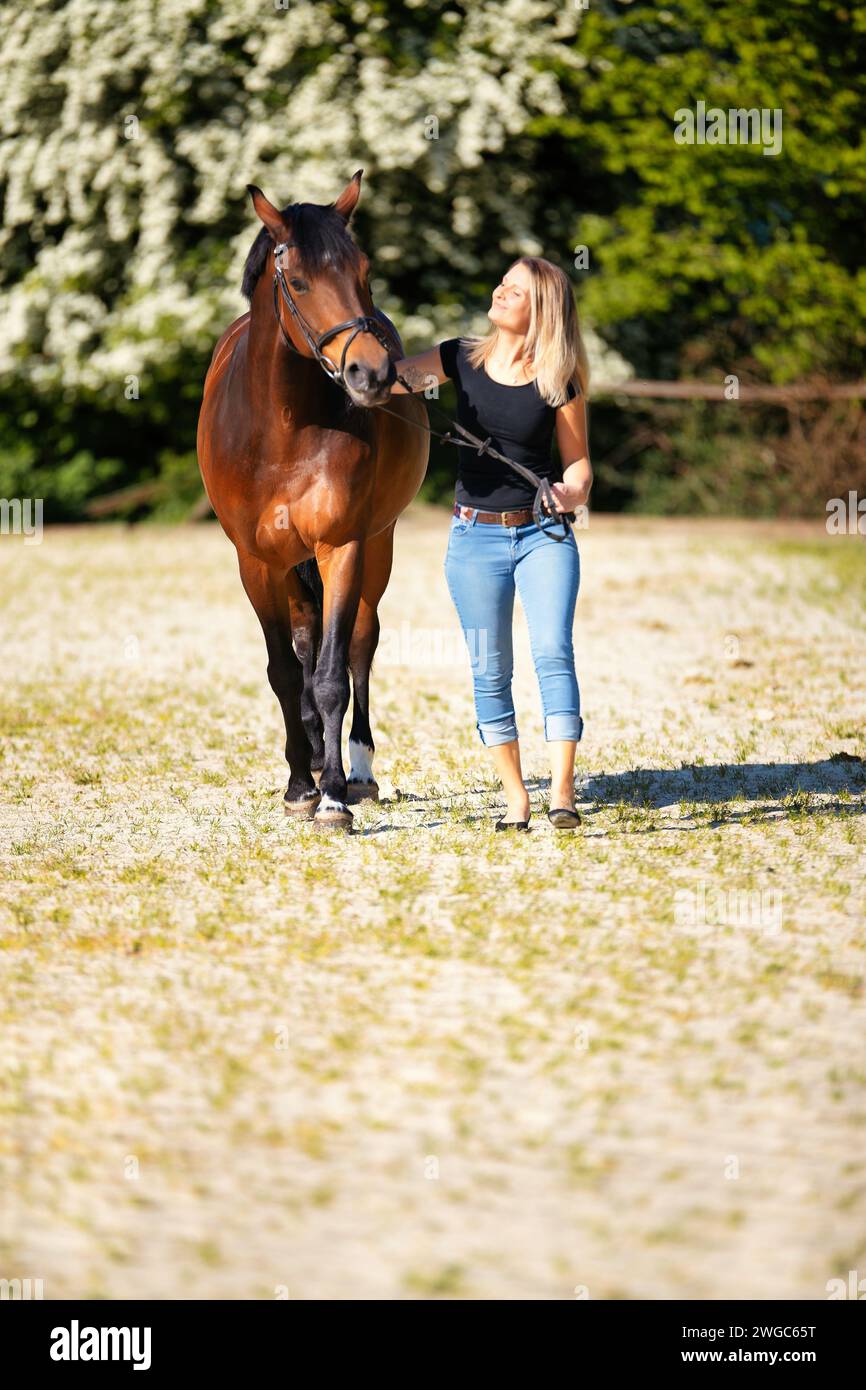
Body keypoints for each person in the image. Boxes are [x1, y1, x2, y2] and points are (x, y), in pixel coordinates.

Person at [392, 257, 592, 831]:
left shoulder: (560, 379)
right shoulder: (458, 357)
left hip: (541, 534)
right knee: (489, 668)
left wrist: (570, 491)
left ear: (542, 311)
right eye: (501, 280)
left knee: (553, 652)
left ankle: (561, 791)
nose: (500, 290)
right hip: (472, 537)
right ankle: (515, 797)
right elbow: (391, 381)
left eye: (517, 290)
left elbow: (579, 465)